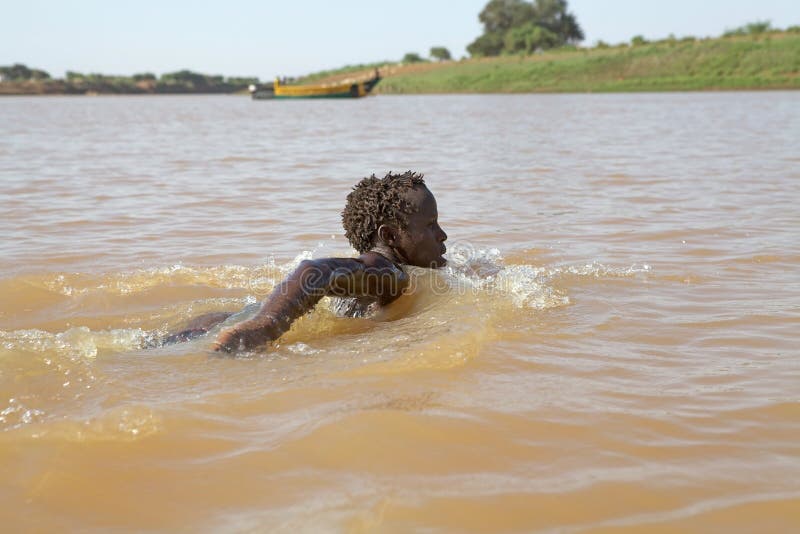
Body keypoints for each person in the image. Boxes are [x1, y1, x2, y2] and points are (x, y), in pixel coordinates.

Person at [165, 171, 448, 352]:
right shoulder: (389, 273)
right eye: (431, 225)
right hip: (243, 323)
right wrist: (265, 325)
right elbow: (315, 271)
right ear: (391, 237)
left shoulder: (386, 270)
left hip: (217, 321)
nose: (442, 235)